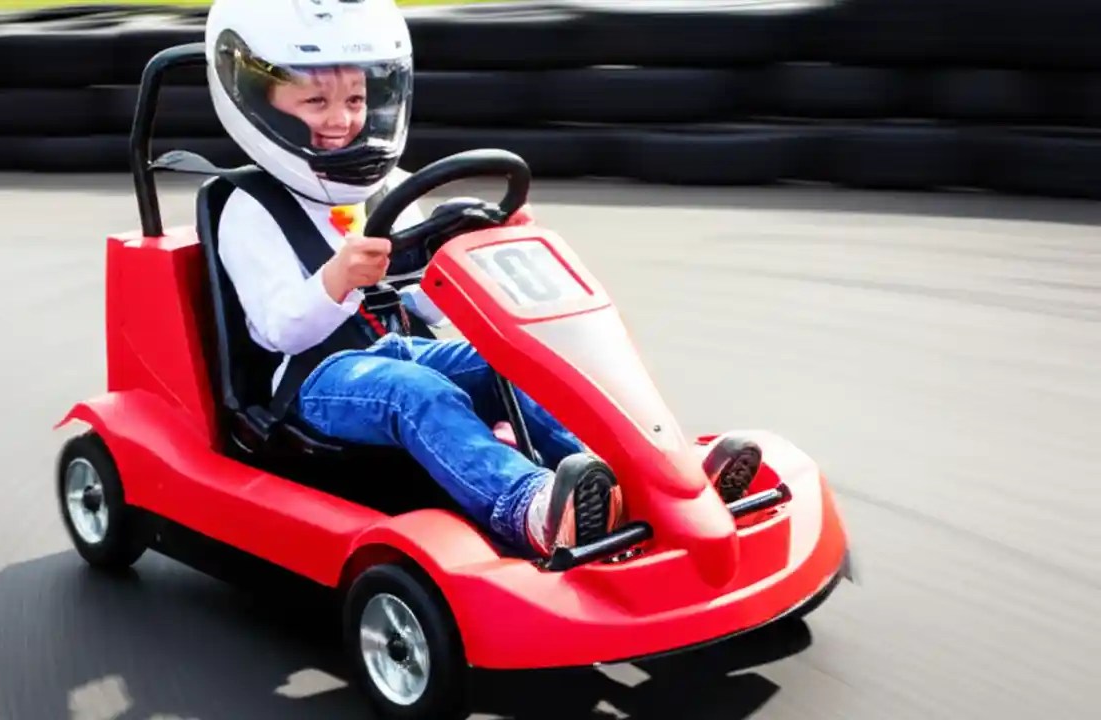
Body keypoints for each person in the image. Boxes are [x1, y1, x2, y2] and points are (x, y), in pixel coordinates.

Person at [203, 0, 762, 558]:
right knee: (417, 393)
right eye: (315, 101)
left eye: (354, 99)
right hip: (310, 381)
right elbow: (276, 332)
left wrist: (476, 247)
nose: (342, 119)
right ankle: (527, 508)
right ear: (261, 102)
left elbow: (426, 306)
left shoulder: (384, 187)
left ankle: (643, 482)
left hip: (396, 348)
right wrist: (336, 281)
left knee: (511, 362)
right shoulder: (249, 208)